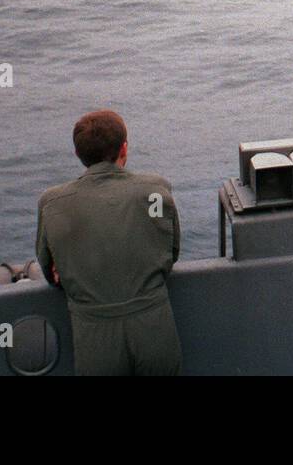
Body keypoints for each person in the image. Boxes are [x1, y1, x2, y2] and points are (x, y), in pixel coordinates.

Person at [36, 109, 183, 375]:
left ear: (79, 155)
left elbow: (50, 272)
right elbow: (171, 254)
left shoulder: (52, 203)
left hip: (95, 338)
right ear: (124, 148)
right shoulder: (155, 190)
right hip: (154, 329)